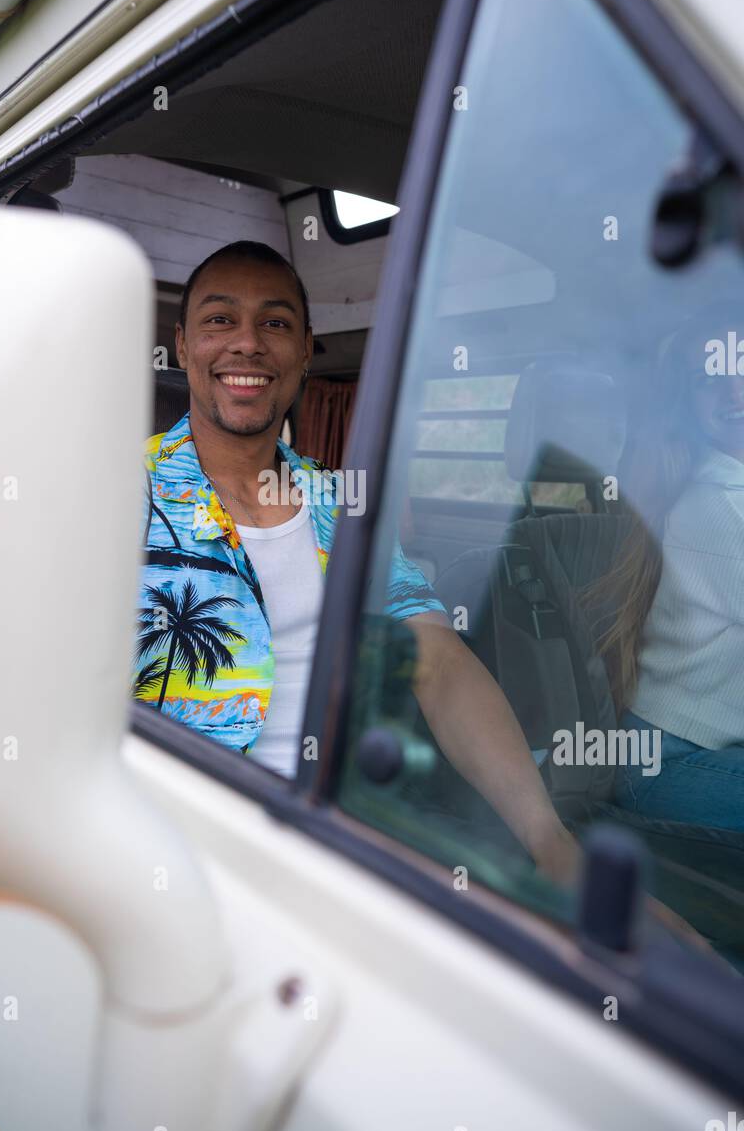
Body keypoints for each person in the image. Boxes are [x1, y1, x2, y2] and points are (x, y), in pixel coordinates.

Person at [134, 240, 585, 883]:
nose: (248, 344)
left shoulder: (338, 504)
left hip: (345, 827)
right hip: (183, 843)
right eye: (219, 320)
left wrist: (550, 840)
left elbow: (438, 662)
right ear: (182, 346)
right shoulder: (118, 489)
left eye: (276, 323)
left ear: (305, 351)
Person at [591, 306, 744, 830]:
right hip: (666, 762)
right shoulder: (715, 507)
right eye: (709, 380)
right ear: (689, 406)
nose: (733, 392)